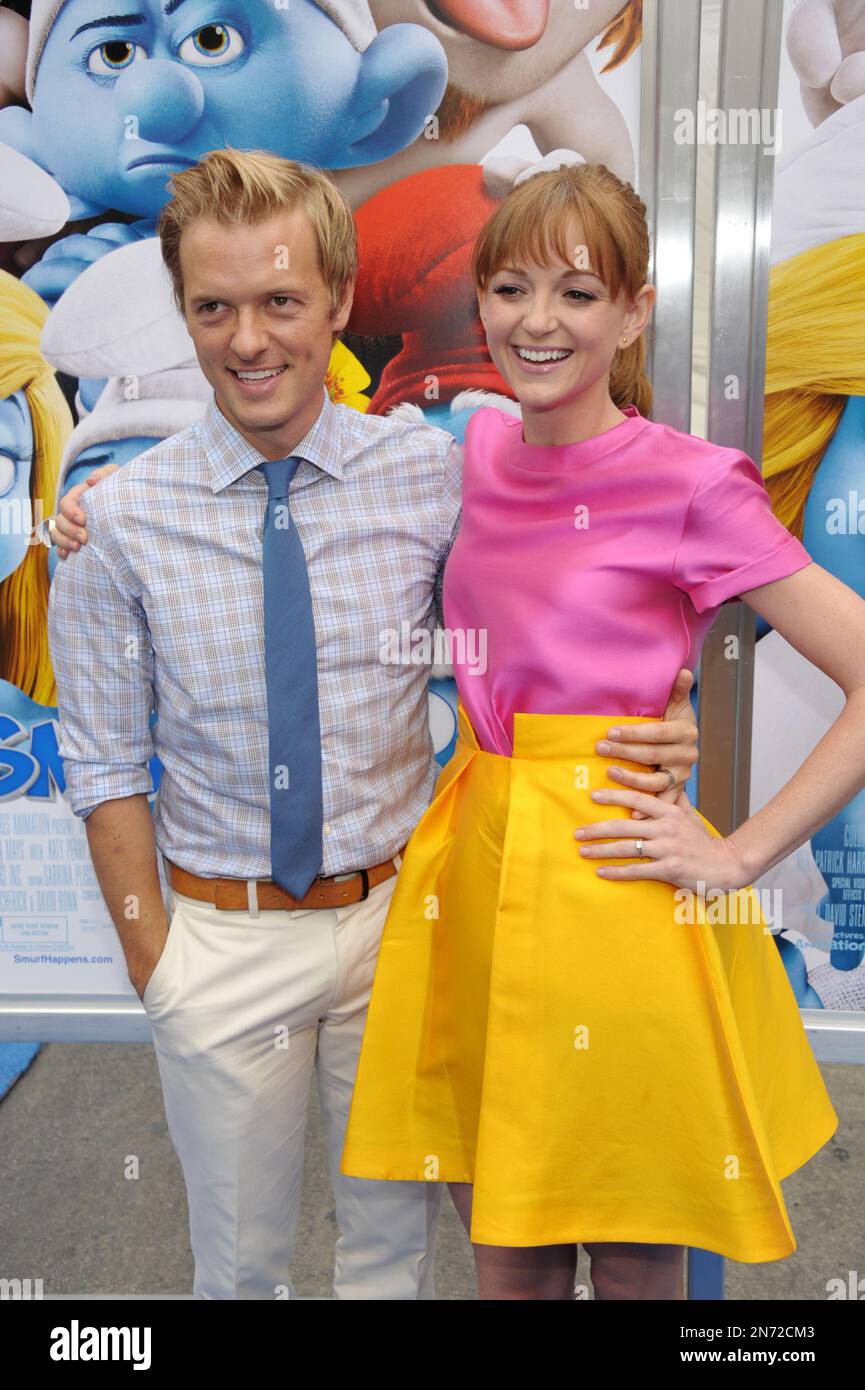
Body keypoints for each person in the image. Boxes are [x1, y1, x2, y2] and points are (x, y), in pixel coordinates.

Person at [45, 148, 700, 1300]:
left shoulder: (431, 472)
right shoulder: (121, 523)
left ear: (340, 303)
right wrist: (162, 967)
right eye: (215, 307)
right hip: (221, 937)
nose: (250, 340)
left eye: (282, 301)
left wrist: (669, 703)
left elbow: (580, 574)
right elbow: (101, 765)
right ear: (184, 312)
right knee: (238, 1272)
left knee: (393, 1258)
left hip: (407, 929)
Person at [338, 161, 865, 1300]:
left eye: (578, 293)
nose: (539, 321)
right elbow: (308, 482)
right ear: (479, 305)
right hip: (474, 869)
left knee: (634, 1257)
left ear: (634, 312)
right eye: (512, 287)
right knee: (502, 1255)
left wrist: (735, 851)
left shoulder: (690, 485)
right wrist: (92, 511)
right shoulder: (469, 457)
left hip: (612, 887)